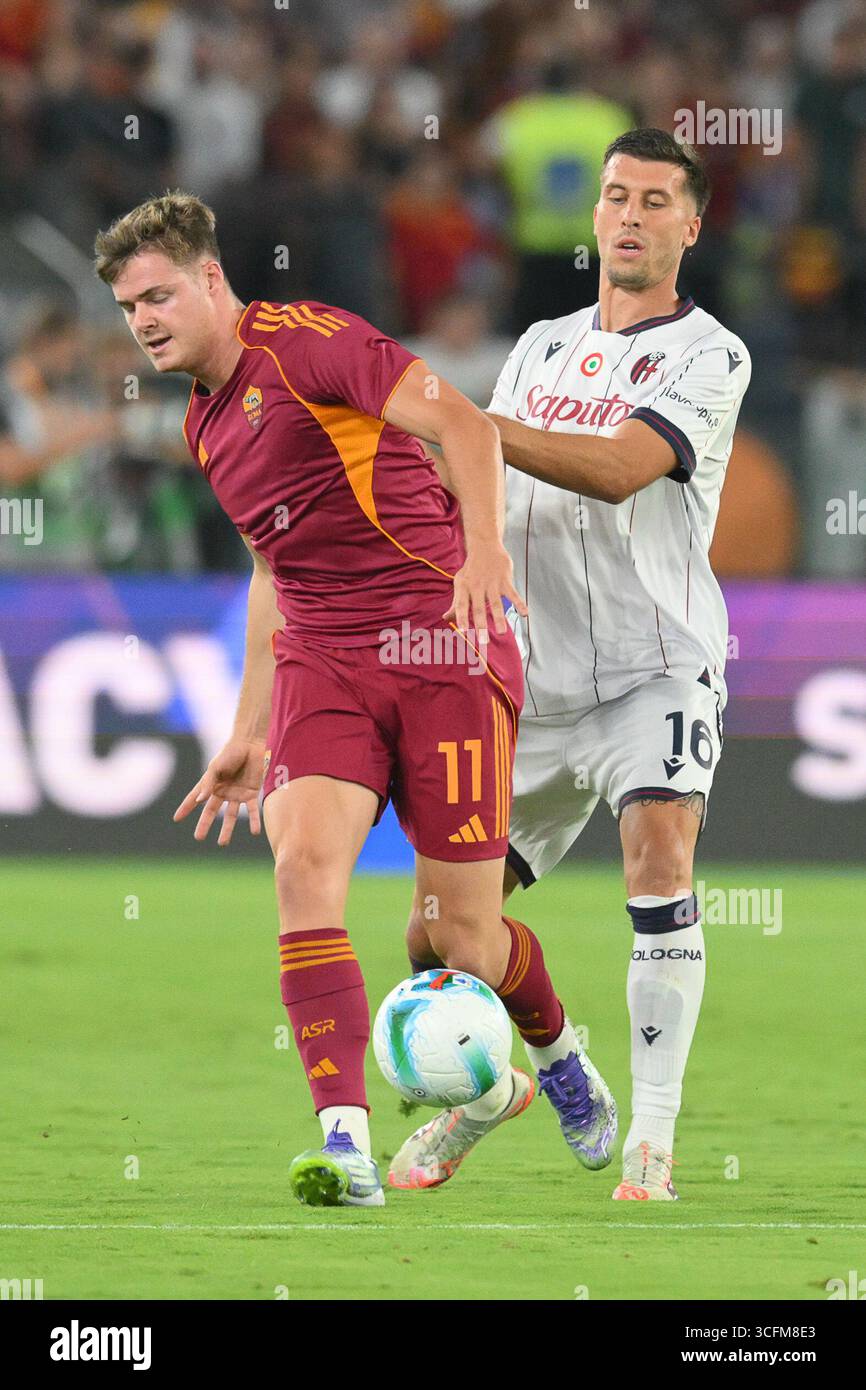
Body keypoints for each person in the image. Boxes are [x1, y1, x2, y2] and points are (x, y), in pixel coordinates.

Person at [93, 192, 617, 1208]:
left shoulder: (311, 342)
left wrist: (482, 552)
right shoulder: (203, 424)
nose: (144, 320)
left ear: (210, 280)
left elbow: (462, 423)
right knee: (302, 867)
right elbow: (267, 573)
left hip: (441, 643)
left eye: (158, 296)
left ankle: (553, 1060)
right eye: (125, 309)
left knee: (453, 940)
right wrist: (246, 729)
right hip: (325, 659)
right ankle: (344, 1144)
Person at [402, 128, 751, 1200]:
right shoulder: (540, 346)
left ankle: (649, 1140)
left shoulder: (711, 353)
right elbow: (480, 482)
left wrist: (470, 424)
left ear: (689, 226)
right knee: (433, 936)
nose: (631, 215)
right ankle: (520, 1080)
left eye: (654, 200)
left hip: (655, 668)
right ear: (592, 215)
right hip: (529, 686)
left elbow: (612, 470)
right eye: (615, 196)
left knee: (657, 863)